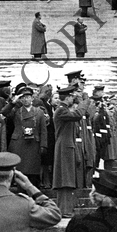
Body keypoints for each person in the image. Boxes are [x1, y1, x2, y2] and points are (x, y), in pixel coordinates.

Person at [2, 87, 48, 187]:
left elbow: (43, 130)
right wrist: (12, 103)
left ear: (32, 98)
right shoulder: (16, 111)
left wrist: (43, 145)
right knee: (20, 171)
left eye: (28, 97)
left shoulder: (39, 111)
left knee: (33, 171)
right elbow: (4, 113)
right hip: (19, 143)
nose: (25, 99)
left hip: (34, 143)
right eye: (23, 97)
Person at [52, 86, 84, 216]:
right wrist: (83, 102)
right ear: (67, 98)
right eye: (72, 97)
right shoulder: (61, 110)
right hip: (64, 147)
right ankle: (64, 209)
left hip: (66, 146)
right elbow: (78, 115)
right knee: (65, 179)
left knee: (67, 179)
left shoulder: (63, 110)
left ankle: (66, 208)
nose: (73, 99)